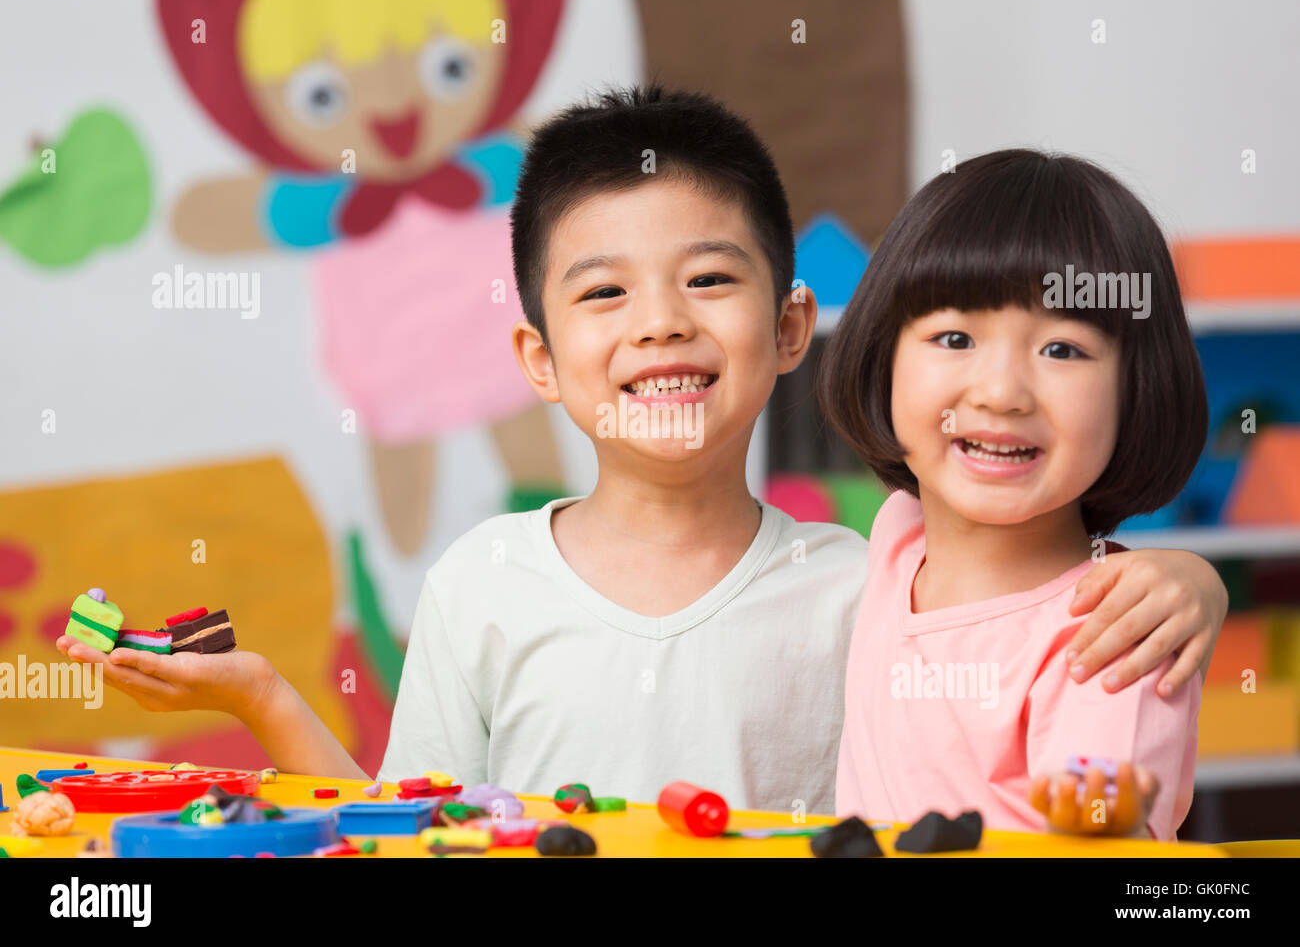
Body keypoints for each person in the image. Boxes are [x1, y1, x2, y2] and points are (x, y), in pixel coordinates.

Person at [60, 92, 1224, 815]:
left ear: (788, 328)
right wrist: (265, 695)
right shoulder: (480, 582)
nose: (660, 322)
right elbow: (399, 828)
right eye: (604, 291)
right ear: (538, 357)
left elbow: (1023, 589)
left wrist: (1183, 575)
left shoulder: (860, 577)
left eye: (708, 278)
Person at [822, 149, 1207, 838]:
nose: (1000, 392)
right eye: (954, 336)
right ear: (884, 359)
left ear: (1138, 390)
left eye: (1062, 350)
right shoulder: (901, 534)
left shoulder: (1111, 639)